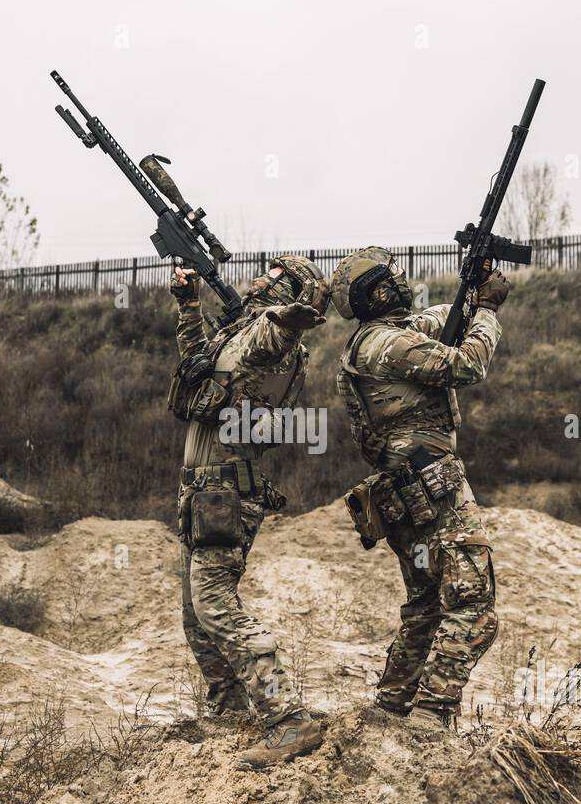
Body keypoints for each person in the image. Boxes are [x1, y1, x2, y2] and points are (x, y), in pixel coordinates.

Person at [329, 247, 510, 728]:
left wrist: (470, 294)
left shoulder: (372, 342)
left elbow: (436, 321)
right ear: (381, 291)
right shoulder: (384, 346)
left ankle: (392, 708)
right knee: (472, 606)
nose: (405, 281)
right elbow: (467, 365)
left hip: (404, 492)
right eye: (396, 277)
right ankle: (432, 712)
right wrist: (488, 312)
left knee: (427, 606)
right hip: (432, 484)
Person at [170, 256, 330, 767]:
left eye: (274, 274)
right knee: (195, 615)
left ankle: (288, 717)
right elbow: (197, 369)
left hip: (224, 493)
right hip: (201, 492)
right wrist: (189, 307)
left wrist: (288, 318)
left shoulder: (270, 342)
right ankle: (228, 709)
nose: (260, 276)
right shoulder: (240, 335)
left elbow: (273, 340)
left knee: (215, 605)